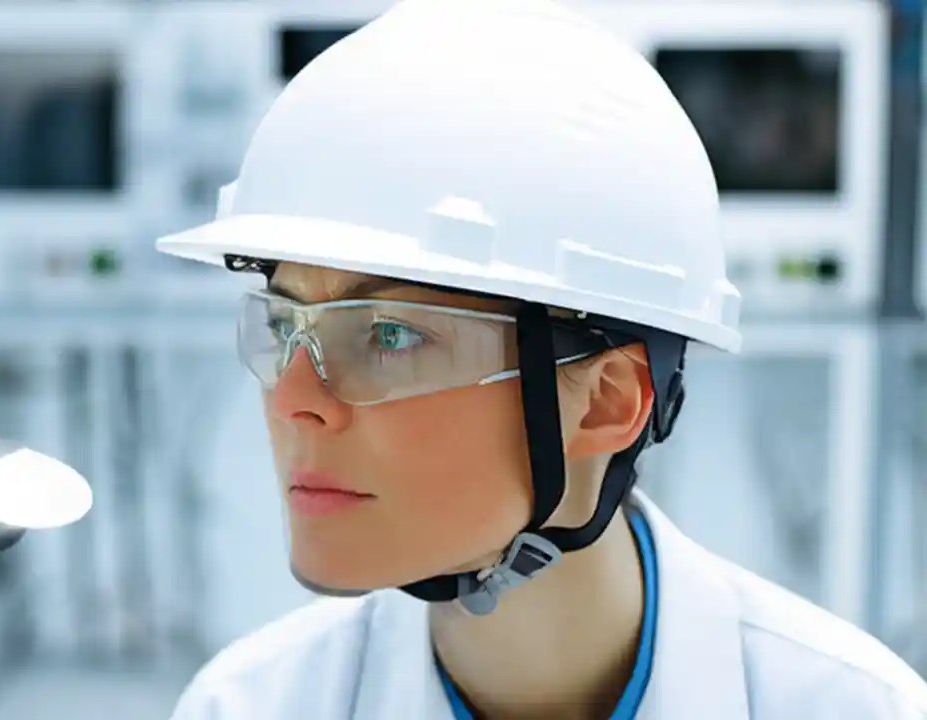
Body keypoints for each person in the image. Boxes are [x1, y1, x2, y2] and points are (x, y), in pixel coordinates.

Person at [154, 0, 927, 717]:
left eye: (387, 335)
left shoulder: (854, 706)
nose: (293, 399)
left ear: (608, 401)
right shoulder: (248, 705)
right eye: (285, 324)